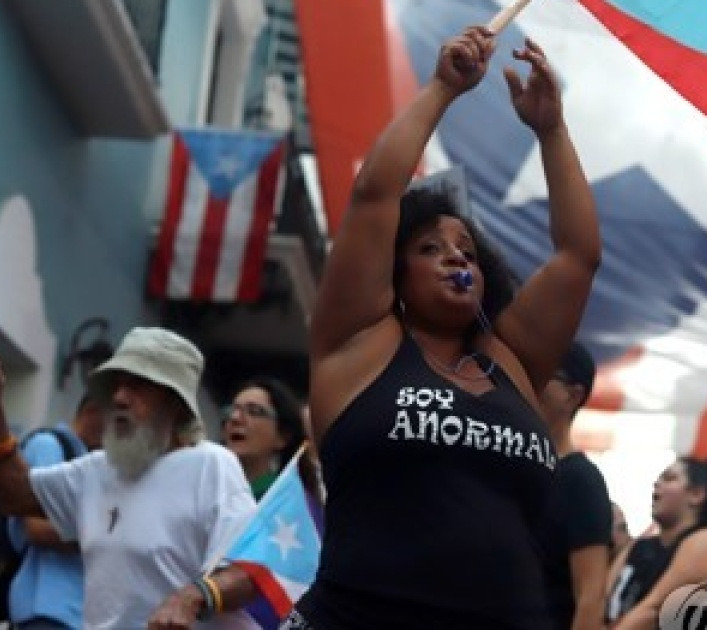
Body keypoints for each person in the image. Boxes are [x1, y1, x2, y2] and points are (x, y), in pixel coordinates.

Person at [287, 23, 601, 630]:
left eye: (466, 249)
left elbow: (577, 255)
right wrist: (442, 88)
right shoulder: (359, 343)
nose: (458, 258)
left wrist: (552, 131)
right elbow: (376, 194)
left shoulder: (512, 360)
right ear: (393, 272)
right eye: (431, 248)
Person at [0, 327, 261, 628]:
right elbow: (15, 496)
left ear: (176, 404)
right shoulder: (97, 470)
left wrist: (192, 597)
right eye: (117, 384)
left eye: (138, 385)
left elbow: (251, 570)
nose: (119, 397)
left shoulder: (212, 465)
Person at [606, 457, 707, 629]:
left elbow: (653, 610)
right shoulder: (638, 547)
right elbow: (601, 599)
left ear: (696, 495)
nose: (657, 483)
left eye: (669, 478)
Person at [7, 395, 105, 629]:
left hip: (79, 613)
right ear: (92, 412)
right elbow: (37, 527)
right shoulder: (48, 446)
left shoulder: (92, 461)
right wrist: (111, 536)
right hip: (49, 609)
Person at [538, 342, 613, 630]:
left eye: (545, 374)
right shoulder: (519, 468)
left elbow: (590, 596)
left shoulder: (581, 480)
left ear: (573, 396)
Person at [221, 376, 324, 532]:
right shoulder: (208, 491)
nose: (235, 418)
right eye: (232, 410)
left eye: (253, 411)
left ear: (282, 437)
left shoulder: (291, 504)